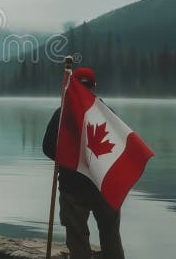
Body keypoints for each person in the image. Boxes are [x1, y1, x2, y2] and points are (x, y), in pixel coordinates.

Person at [42, 67, 124, 259]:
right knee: (111, 236)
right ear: (94, 86)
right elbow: (119, 147)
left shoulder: (62, 114)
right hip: (104, 186)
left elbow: (47, 147)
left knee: (77, 239)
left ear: (73, 87)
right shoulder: (107, 114)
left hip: (73, 189)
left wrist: (68, 157)